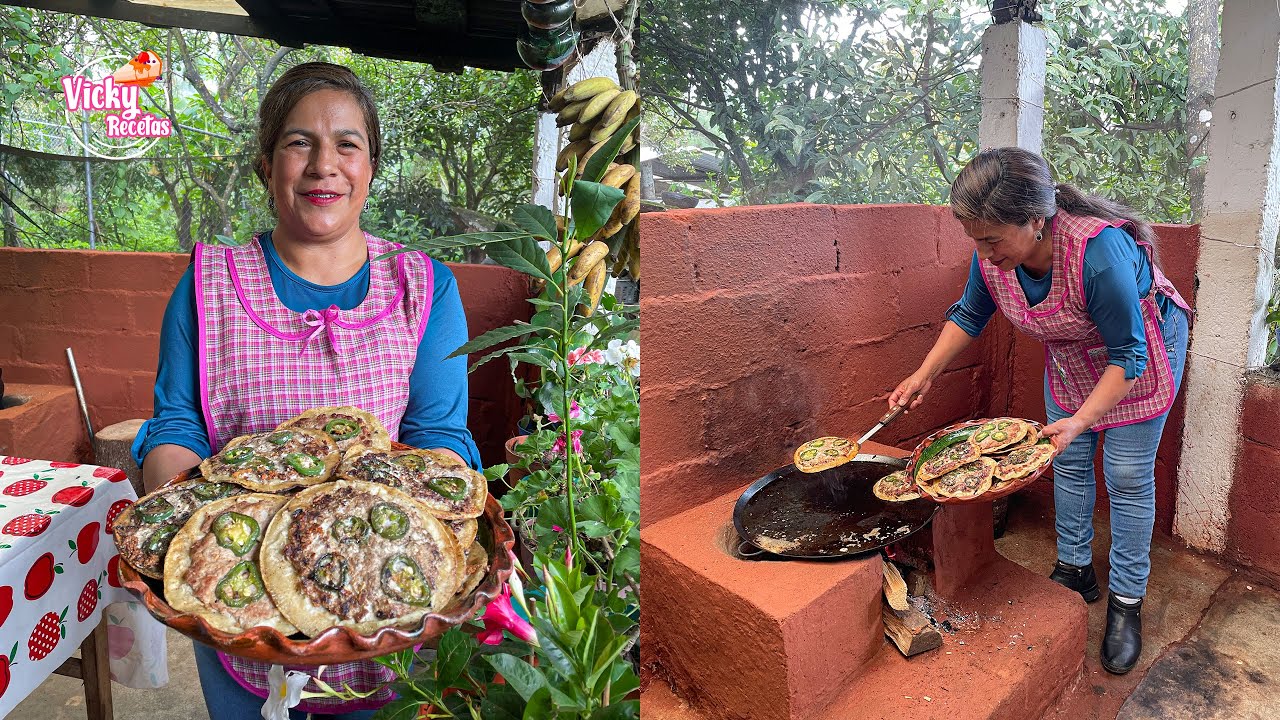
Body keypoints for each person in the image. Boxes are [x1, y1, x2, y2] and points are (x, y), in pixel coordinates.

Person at [133, 62, 480, 719]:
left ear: (371, 166)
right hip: (240, 610)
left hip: (383, 601)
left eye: (347, 144)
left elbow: (439, 438)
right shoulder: (208, 287)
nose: (325, 164)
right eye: (299, 143)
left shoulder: (424, 289)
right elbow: (176, 425)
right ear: (267, 165)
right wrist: (190, 529)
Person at [889, 147, 1190, 675]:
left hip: (1140, 346)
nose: (983, 254)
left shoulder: (1099, 254)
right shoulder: (995, 258)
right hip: (1077, 349)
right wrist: (924, 374)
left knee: (1125, 472)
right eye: (974, 241)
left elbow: (1129, 356)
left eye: (991, 240)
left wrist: (1081, 420)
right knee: (1064, 459)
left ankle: (1126, 600)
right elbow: (970, 314)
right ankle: (1075, 568)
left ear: (1035, 220)